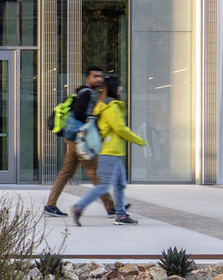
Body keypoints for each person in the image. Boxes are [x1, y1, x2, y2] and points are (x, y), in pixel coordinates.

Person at [72, 77, 146, 226]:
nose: (121, 89)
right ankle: (78, 208)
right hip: (110, 152)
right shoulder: (112, 107)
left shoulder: (104, 105)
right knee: (104, 186)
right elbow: (120, 129)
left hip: (114, 152)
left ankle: (121, 215)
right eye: (119, 86)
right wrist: (139, 140)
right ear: (114, 88)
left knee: (119, 184)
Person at [43, 66, 115, 218]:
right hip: (81, 141)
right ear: (87, 78)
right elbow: (79, 114)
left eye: (100, 76)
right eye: (95, 76)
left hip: (73, 140)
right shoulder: (87, 93)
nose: (98, 79)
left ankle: (50, 205)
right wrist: (92, 123)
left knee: (66, 173)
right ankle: (111, 208)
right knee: (94, 172)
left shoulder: (81, 92)